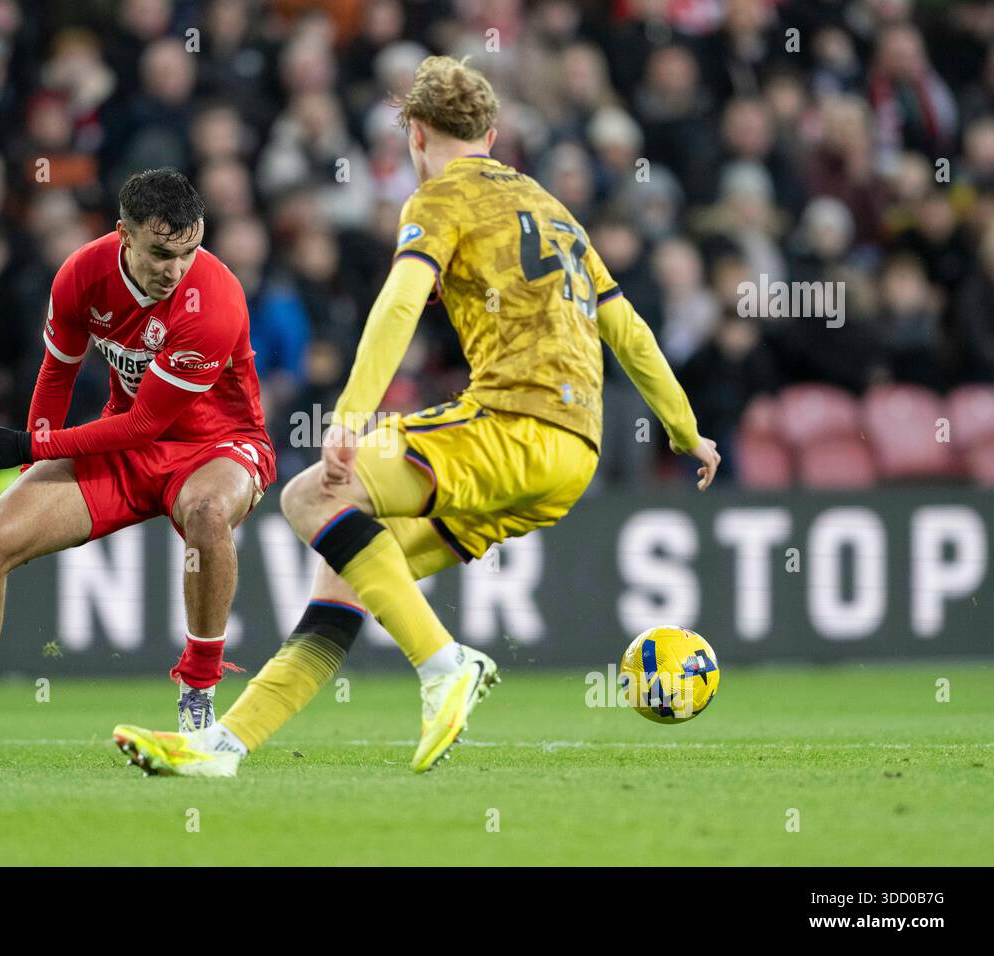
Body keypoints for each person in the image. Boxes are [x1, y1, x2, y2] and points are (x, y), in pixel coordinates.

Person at [112, 56, 720, 778]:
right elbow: (630, 333)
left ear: (417, 133)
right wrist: (685, 432)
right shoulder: (557, 213)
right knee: (351, 575)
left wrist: (349, 415)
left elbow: (400, 301)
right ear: (492, 134)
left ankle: (443, 665)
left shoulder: (440, 198)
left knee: (311, 496)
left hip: (508, 425)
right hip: (571, 459)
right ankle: (223, 748)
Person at [0, 168, 276, 767]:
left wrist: (21, 446)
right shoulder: (80, 275)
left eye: (189, 250)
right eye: (161, 252)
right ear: (122, 234)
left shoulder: (215, 298)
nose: (175, 268)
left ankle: (197, 693)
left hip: (217, 445)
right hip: (120, 448)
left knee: (205, 512)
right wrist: (27, 478)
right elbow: (57, 373)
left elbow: (148, 423)